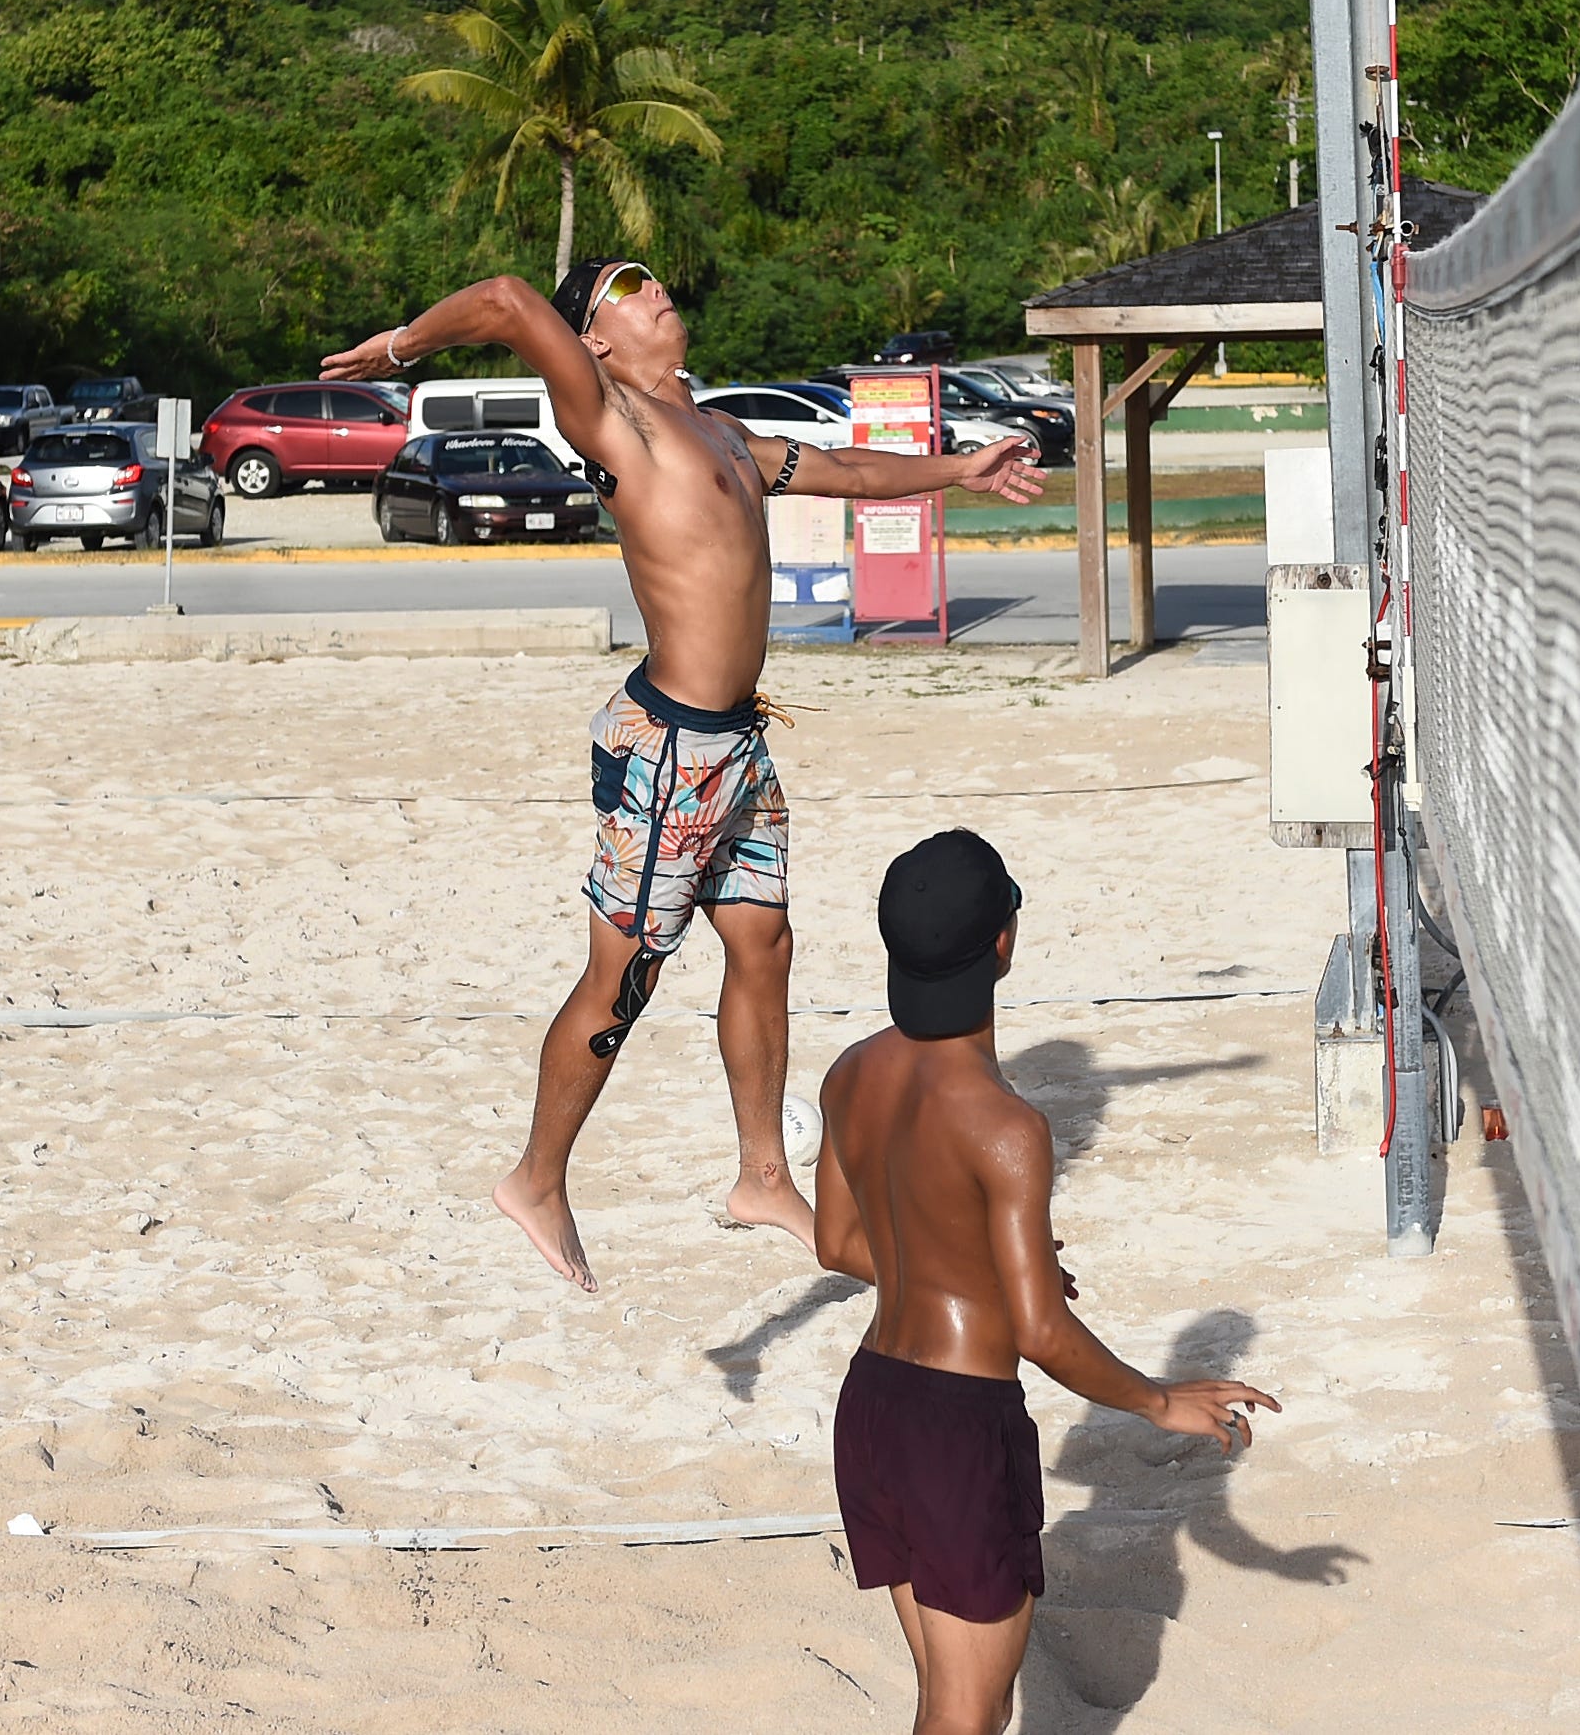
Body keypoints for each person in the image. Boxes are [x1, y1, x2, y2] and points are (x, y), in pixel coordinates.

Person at [322, 260, 1042, 1293]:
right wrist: (399, 349)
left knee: (764, 942)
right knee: (623, 981)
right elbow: (508, 301)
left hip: (736, 747)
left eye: (652, 278)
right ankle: (535, 1178)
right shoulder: (613, 423)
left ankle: (760, 1177)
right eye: (627, 285)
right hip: (667, 754)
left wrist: (958, 470)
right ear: (598, 342)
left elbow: (839, 467)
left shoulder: (720, 433)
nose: (655, 290)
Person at [814, 829, 1280, 1735]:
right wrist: (1155, 1401)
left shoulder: (851, 1072)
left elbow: (837, 1240)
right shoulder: (1004, 1126)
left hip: (873, 1404)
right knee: (968, 1711)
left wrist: (969, 1272)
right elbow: (1039, 1331)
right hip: (956, 1424)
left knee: (946, 1698)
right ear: (1003, 942)